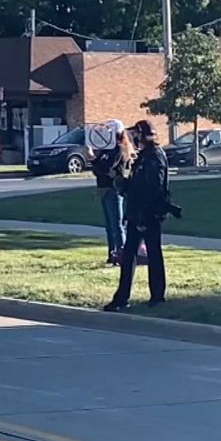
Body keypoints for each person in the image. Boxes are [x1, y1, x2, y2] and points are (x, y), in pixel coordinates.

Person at [104, 120, 174, 312]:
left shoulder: (155, 157)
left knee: (153, 254)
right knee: (128, 256)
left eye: (136, 135)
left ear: (143, 135)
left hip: (149, 214)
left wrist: (144, 215)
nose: (133, 138)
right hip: (137, 212)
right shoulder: (143, 157)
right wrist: (120, 181)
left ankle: (157, 296)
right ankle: (121, 298)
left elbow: (153, 189)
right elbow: (135, 187)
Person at [89, 120, 129, 266]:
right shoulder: (105, 150)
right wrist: (96, 162)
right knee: (109, 225)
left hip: (113, 189)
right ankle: (112, 254)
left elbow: (106, 168)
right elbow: (98, 169)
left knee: (117, 224)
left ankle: (123, 254)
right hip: (103, 188)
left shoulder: (118, 148)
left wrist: (96, 162)